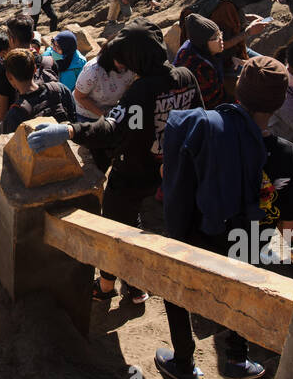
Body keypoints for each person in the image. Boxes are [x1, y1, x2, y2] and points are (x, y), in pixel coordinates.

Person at [28, 19, 200, 305]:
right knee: (144, 232)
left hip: (132, 174)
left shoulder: (141, 91)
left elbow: (112, 130)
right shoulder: (186, 77)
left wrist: (71, 130)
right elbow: (199, 121)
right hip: (168, 174)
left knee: (115, 232)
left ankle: (107, 285)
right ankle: (135, 286)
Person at [157, 57, 293, 379]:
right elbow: (291, 228)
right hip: (250, 243)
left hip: (200, 235)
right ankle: (236, 359)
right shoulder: (290, 156)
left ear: (238, 90)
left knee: (175, 287)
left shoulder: (208, 130)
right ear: (280, 102)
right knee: (241, 291)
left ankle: (183, 362)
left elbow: (171, 175)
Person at [193, 0, 270, 69]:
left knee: (270, 64)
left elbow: (231, 16)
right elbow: (220, 46)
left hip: (235, 48)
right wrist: (248, 32)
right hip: (222, 58)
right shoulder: (225, 6)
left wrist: (248, 17)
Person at [0, 49, 77, 134]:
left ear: (9, 76)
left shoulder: (15, 115)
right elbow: (74, 121)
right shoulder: (60, 89)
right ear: (35, 69)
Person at [174, 14, 227, 108]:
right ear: (203, 42)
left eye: (220, 33)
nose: (221, 39)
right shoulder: (196, 65)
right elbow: (212, 101)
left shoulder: (202, 49)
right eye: (215, 37)